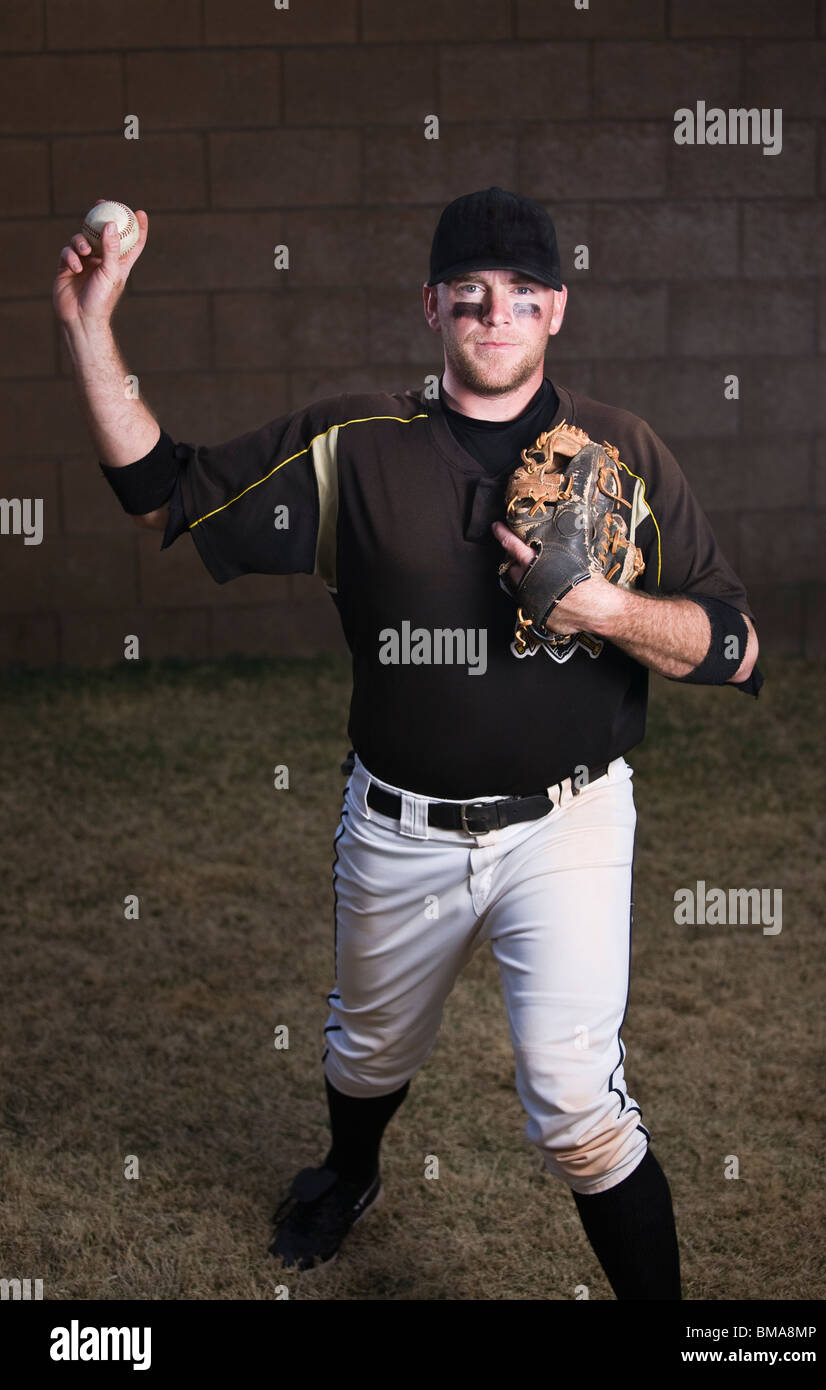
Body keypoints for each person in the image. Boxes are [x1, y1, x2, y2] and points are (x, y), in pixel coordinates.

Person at [54, 187, 761, 1300]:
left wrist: (610, 611)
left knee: (576, 1102)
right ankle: (349, 1169)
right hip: (399, 824)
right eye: (470, 293)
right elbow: (161, 494)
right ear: (431, 305)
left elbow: (735, 646)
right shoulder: (353, 448)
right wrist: (91, 327)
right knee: (364, 1054)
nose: (494, 314)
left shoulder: (624, 454)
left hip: (566, 821)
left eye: (521, 296)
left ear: (556, 312)